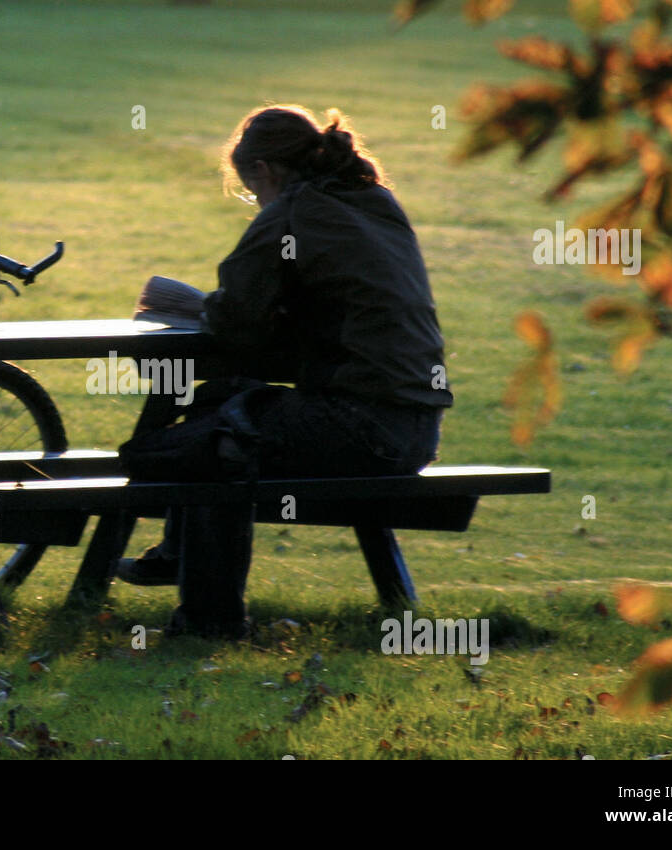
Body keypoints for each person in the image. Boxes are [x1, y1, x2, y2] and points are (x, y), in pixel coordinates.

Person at [116, 104, 454, 639]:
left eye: (252, 192)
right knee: (217, 403)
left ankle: (209, 624)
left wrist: (202, 309)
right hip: (414, 428)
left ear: (266, 173)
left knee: (211, 449)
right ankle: (176, 556)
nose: (256, 203)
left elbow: (239, 321)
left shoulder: (293, 210)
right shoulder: (374, 200)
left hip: (361, 426)